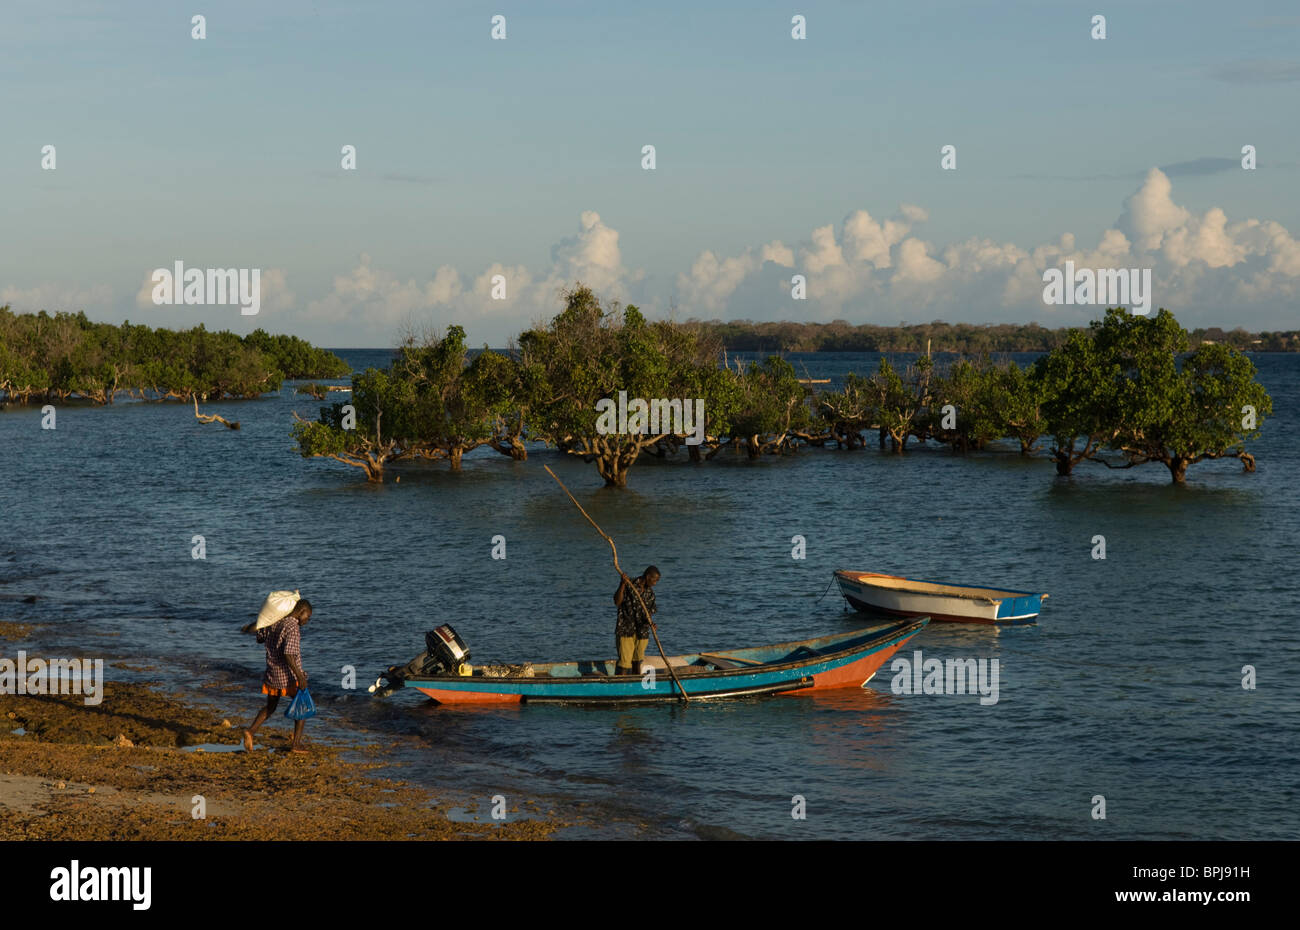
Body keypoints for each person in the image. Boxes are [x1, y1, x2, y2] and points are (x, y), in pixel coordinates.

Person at [243, 599, 311, 753]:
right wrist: (300, 676)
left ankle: (251, 731)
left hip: (272, 673)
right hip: (288, 676)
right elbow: (288, 654)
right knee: (302, 707)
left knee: (270, 707)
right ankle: (296, 745)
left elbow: (260, 638)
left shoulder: (275, 620)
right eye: (308, 616)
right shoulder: (293, 627)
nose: (308, 620)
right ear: (301, 612)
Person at [613, 566, 660, 676]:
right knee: (624, 663)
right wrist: (622, 584)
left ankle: (636, 685)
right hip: (625, 629)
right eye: (655, 580)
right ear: (648, 577)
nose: (655, 583)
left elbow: (648, 614)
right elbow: (617, 602)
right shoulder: (629, 584)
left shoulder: (650, 593)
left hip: (642, 631)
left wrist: (651, 624)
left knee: (637, 661)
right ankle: (620, 687)